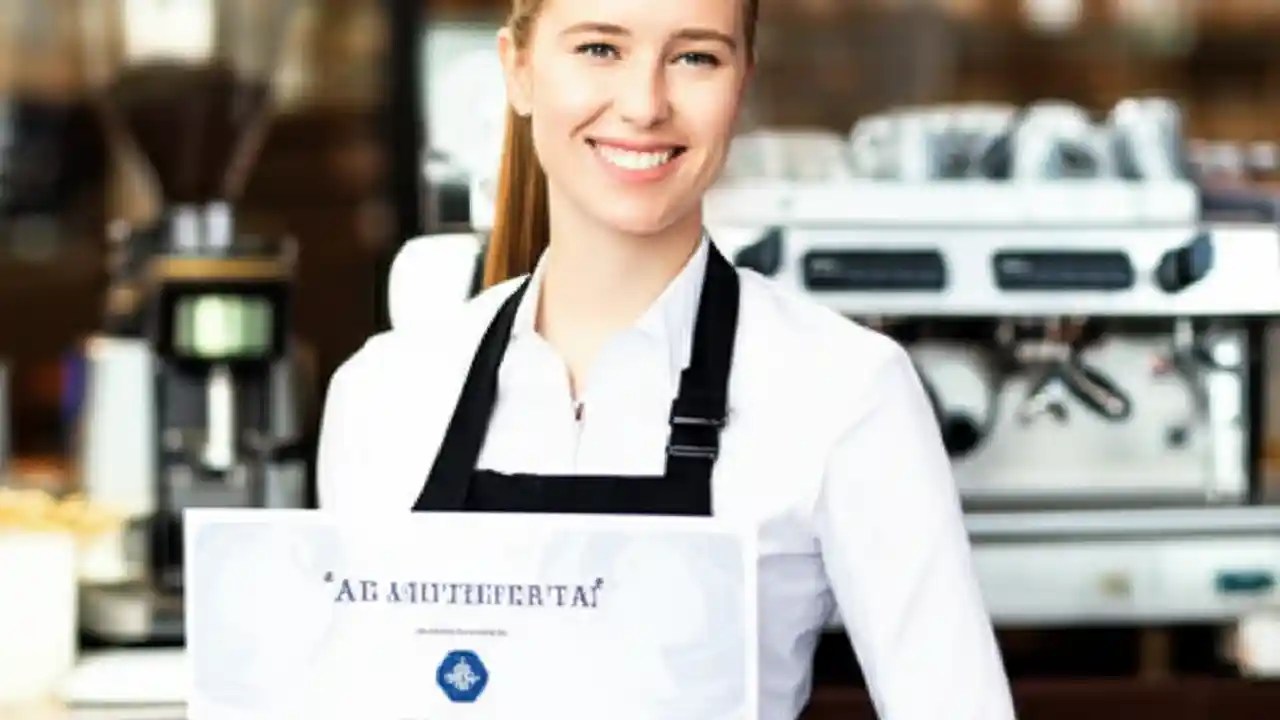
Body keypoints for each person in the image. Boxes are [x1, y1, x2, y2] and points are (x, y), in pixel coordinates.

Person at [316, 0, 1017, 717]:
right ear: (518, 72)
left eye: (695, 57)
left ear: (741, 82)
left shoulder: (844, 388)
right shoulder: (385, 394)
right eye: (599, 49)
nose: (646, 104)